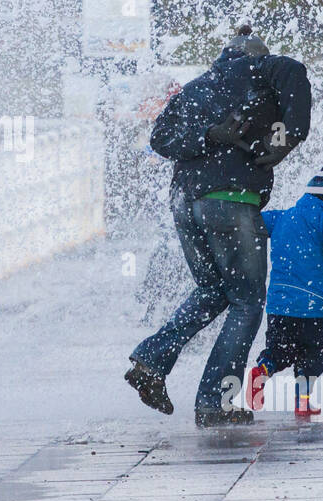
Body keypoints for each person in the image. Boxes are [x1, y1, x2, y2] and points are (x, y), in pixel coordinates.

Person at [125, 24, 311, 427]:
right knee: (247, 301)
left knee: (213, 290)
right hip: (231, 201)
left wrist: (209, 134)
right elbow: (295, 71)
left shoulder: (195, 87)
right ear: (256, 55)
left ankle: (152, 359)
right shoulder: (261, 69)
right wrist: (288, 139)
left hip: (184, 205)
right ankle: (216, 401)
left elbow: (160, 140)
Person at [248, 165, 323, 419]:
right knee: (311, 358)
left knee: (278, 351)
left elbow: (255, 223)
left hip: (279, 306)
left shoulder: (283, 217)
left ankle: (262, 372)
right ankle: (303, 403)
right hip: (311, 307)